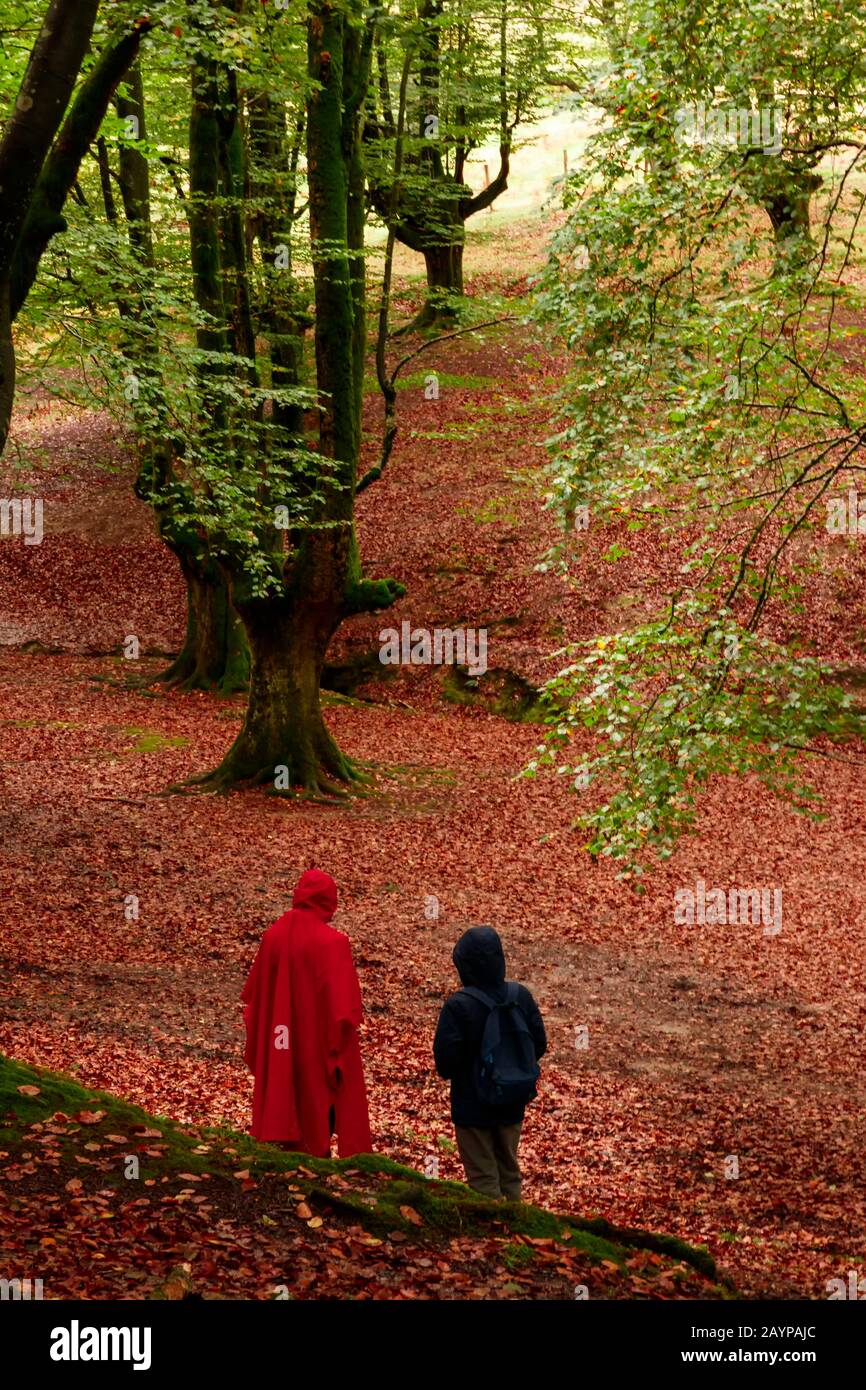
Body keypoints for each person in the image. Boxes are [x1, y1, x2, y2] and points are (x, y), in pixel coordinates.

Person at [241, 868, 372, 1157]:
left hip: (279, 1043)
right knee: (316, 1113)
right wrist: (338, 1058)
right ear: (329, 900)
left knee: (285, 1094)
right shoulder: (334, 943)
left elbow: (256, 1000)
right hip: (316, 1050)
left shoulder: (272, 937)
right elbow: (344, 1012)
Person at [433, 926, 547, 1201]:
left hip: (472, 1108)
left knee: (483, 1180)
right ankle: (519, 1232)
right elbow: (539, 1045)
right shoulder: (520, 996)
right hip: (512, 1100)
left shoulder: (458, 1006)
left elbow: (445, 1064)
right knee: (509, 1171)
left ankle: (494, 1239)